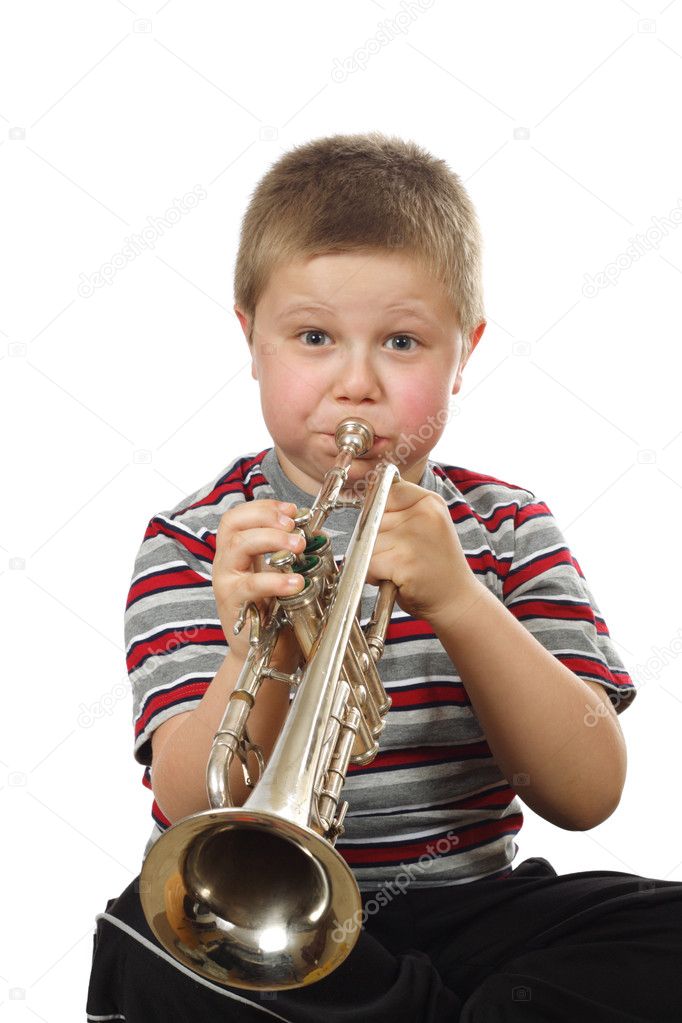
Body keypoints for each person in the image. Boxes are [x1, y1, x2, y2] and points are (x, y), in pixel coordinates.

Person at [86, 132, 682, 1022]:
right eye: (315, 337)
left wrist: (460, 600)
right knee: (144, 930)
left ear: (463, 352)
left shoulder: (509, 528)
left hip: (476, 903)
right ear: (252, 339)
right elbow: (189, 804)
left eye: (401, 342)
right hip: (272, 919)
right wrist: (262, 641)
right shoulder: (196, 540)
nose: (355, 383)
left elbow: (588, 793)